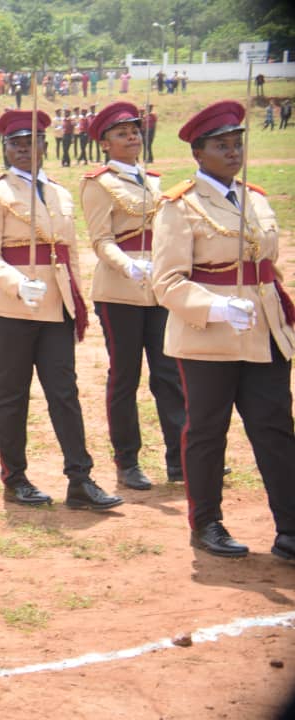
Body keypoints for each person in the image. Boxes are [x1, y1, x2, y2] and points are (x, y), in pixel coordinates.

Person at [152, 100, 295, 561]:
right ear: (198, 153)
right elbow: (166, 282)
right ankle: (207, 523)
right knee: (208, 432)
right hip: (208, 337)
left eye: (237, 144)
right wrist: (215, 306)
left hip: (263, 330)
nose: (233, 152)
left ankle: (290, 528)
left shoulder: (255, 198)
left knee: (275, 428)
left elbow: (266, 265)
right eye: (222, 146)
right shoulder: (180, 207)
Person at [0, 108, 123, 510]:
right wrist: (16, 282)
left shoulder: (59, 193)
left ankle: (80, 479)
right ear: (5, 148)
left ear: (45, 145)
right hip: (13, 307)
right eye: (17, 143)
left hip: (56, 305)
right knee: (12, 395)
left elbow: (69, 252)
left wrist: (75, 300)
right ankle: (15, 478)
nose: (25, 149)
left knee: (64, 392)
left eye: (34, 142)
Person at [81, 101, 184, 490]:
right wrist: (127, 263)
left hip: (158, 290)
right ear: (105, 143)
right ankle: (127, 461)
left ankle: (180, 458)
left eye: (135, 131)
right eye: (121, 134)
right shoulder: (98, 183)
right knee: (125, 377)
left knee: (169, 374)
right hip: (119, 291)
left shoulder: (153, 180)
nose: (131, 138)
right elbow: (100, 239)